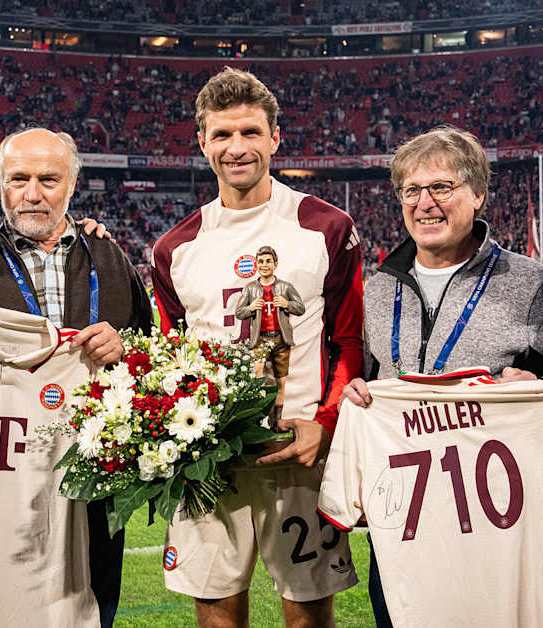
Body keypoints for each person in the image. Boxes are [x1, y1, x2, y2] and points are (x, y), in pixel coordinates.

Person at [152, 67, 364, 628]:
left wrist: (327, 420)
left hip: (299, 453)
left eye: (250, 132)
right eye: (222, 135)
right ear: (202, 141)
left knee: (309, 615)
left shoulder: (326, 227)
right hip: (211, 463)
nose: (236, 147)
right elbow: (173, 357)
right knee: (218, 614)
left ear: (275, 137)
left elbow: (348, 341)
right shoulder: (175, 248)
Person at [0, 127, 151, 628]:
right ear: (0, 184)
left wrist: (126, 348)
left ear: (73, 183)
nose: (33, 193)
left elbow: (153, 356)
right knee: (1, 601)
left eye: (48, 179)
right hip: (1, 476)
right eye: (19, 179)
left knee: (93, 603)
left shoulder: (111, 259)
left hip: (95, 479)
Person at [340, 125, 543, 627]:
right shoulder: (377, 290)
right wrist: (358, 394)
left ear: (478, 193)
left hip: (495, 527)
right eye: (411, 191)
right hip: (401, 528)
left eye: (441, 187)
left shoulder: (531, 284)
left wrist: (539, 389)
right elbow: (371, 385)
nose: (425, 203)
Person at [233, 244, 305, 423]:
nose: (264, 265)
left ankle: (277, 420)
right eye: (261, 261)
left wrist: (287, 304)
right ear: (256, 264)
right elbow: (239, 312)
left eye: (268, 261)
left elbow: (301, 308)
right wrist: (250, 308)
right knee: (258, 376)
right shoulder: (250, 288)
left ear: (276, 264)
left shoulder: (285, 287)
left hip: (280, 339)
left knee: (281, 380)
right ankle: (258, 418)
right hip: (260, 339)